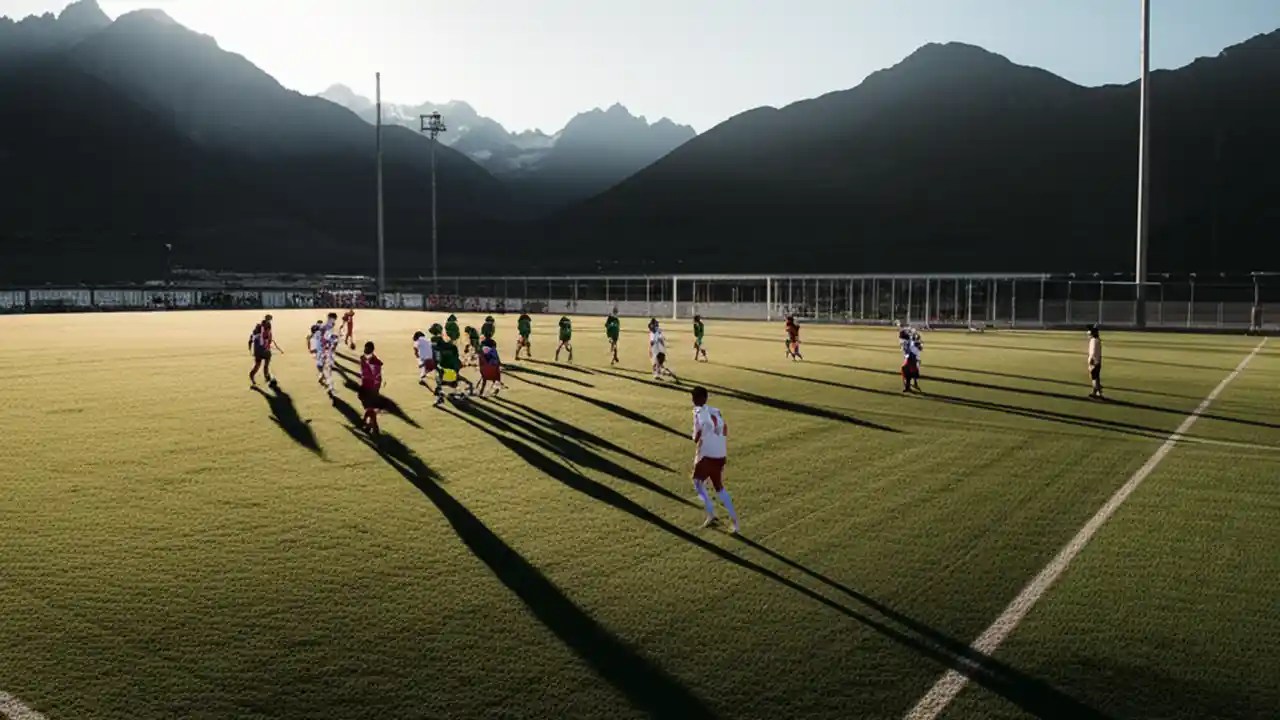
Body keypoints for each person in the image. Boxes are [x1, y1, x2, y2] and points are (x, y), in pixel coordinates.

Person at [691, 386, 738, 533]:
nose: (693, 401)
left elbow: (697, 434)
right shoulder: (716, 410)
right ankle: (735, 523)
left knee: (697, 482)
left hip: (708, 455)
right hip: (720, 454)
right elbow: (725, 427)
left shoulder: (698, 412)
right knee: (719, 487)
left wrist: (697, 437)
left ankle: (711, 514)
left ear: (700, 399)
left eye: (694, 398)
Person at [434, 334, 474, 407]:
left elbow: (438, 361)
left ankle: (439, 398)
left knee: (439, 382)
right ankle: (465, 389)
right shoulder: (452, 348)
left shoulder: (439, 349)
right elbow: (456, 360)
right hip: (452, 371)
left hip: (446, 371)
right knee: (455, 380)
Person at [249, 314, 282, 387]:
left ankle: (253, 377)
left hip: (258, 349)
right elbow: (267, 337)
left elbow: (251, 339)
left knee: (258, 365)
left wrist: (250, 348)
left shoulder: (258, 327)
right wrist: (267, 344)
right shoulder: (266, 327)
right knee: (265, 363)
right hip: (263, 349)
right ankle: (266, 377)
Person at [359, 341, 384, 434]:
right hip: (365, 386)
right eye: (365, 348)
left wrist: (375, 388)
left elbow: (376, 376)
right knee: (369, 408)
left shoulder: (375, 362)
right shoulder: (364, 359)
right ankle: (369, 424)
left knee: (369, 408)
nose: (365, 350)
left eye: (367, 348)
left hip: (371, 387)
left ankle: (372, 426)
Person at [900, 329, 921, 393]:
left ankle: (910, 385)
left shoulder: (914, 343)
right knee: (908, 372)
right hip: (910, 358)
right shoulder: (908, 342)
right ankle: (908, 386)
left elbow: (917, 348)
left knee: (909, 371)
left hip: (913, 358)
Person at [1087, 324, 1104, 399]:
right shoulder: (1096, 340)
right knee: (1096, 377)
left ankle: (1097, 391)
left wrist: (1091, 360)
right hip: (1097, 361)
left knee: (1094, 377)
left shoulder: (1094, 341)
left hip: (1095, 361)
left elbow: (1093, 352)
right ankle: (1096, 391)